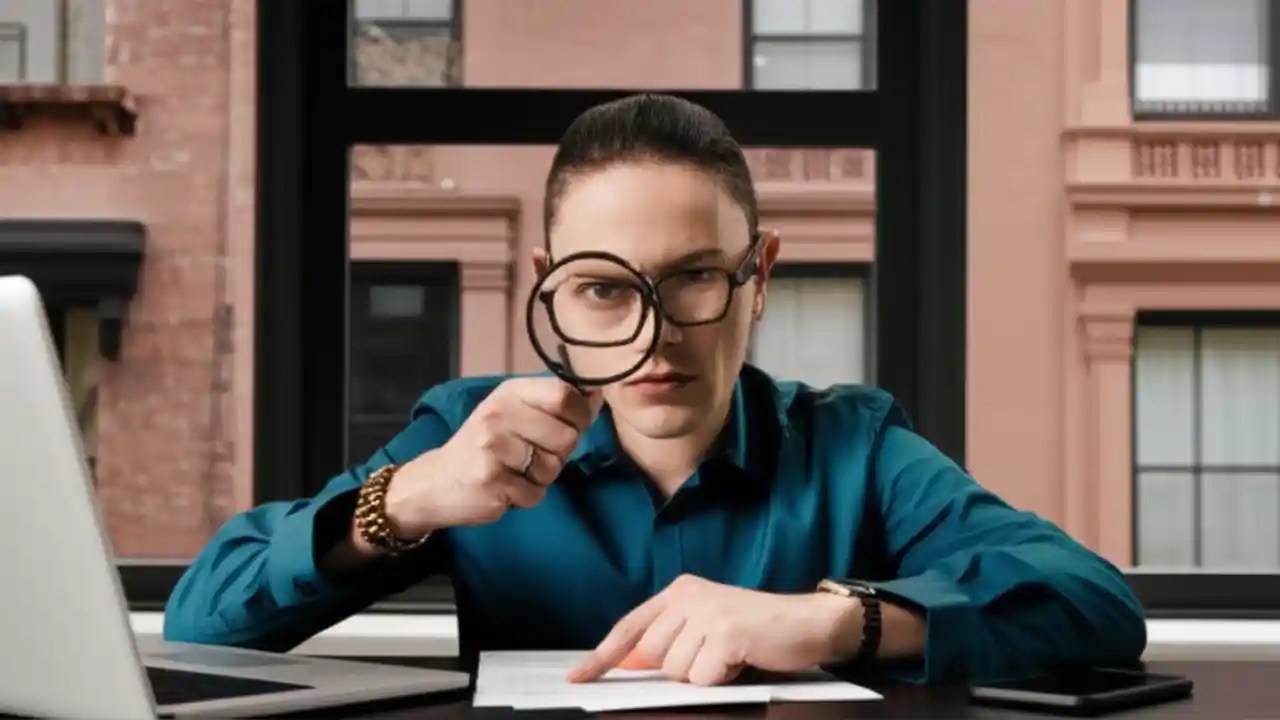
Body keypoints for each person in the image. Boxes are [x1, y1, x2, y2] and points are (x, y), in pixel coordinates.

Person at [164, 93, 1146, 687]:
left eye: (694, 279)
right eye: (602, 288)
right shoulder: (467, 430)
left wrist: (830, 619)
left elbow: (1093, 603)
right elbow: (201, 624)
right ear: (548, 281)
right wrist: (404, 501)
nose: (655, 333)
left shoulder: (852, 445)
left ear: (757, 275)